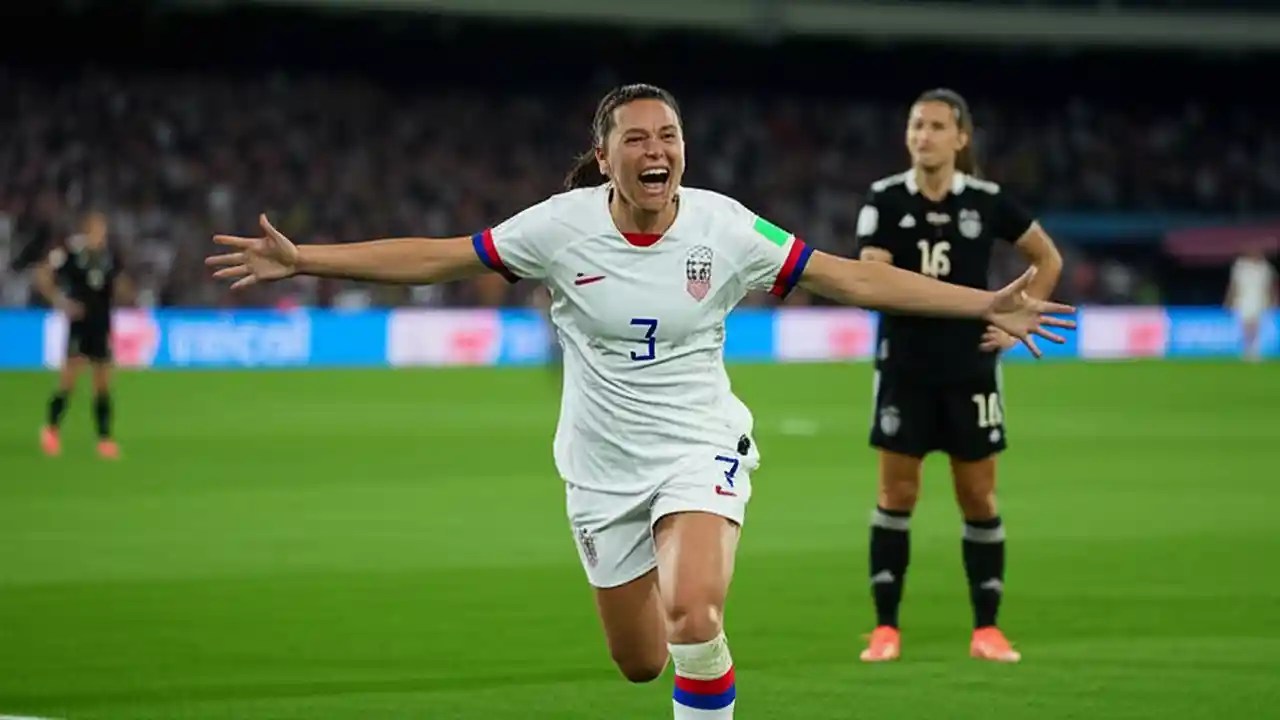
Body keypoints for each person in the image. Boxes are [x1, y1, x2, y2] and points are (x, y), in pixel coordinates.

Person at [206, 83, 1075, 718]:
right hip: (599, 468)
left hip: (699, 446)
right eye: (637, 138)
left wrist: (985, 301)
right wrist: (307, 258)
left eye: (670, 135)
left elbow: (850, 278)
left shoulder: (726, 227)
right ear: (607, 153)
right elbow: (438, 256)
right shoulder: (559, 225)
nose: (657, 150)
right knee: (639, 661)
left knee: (694, 610)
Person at [850, 88, 1065, 664]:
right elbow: (872, 280)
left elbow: (1048, 259)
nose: (923, 135)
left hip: (971, 370)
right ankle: (885, 629)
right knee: (897, 493)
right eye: (916, 125)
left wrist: (1019, 320)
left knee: (978, 496)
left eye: (937, 126)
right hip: (904, 369)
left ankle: (987, 629)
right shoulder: (885, 199)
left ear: (961, 138)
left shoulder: (987, 201)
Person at [36, 209, 133, 459]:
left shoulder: (109, 258)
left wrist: (127, 295)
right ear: (86, 229)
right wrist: (60, 301)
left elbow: (120, 285)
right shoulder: (71, 254)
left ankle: (105, 439)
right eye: (97, 229)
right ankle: (51, 430)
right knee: (69, 382)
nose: (101, 235)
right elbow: (42, 274)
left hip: (102, 325)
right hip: (79, 326)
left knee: (102, 385)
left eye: (103, 230)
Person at [1225, 244, 1277, 361]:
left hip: (1259, 299)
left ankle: (1254, 351)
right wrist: (1229, 300)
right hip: (1243, 300)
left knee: (1256, 326)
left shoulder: (1264, 268)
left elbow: (1270, 286)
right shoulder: (1240, 267)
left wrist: (1273, 300)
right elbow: (1234, 286)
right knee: (1245, 326)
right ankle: (1247, 350)